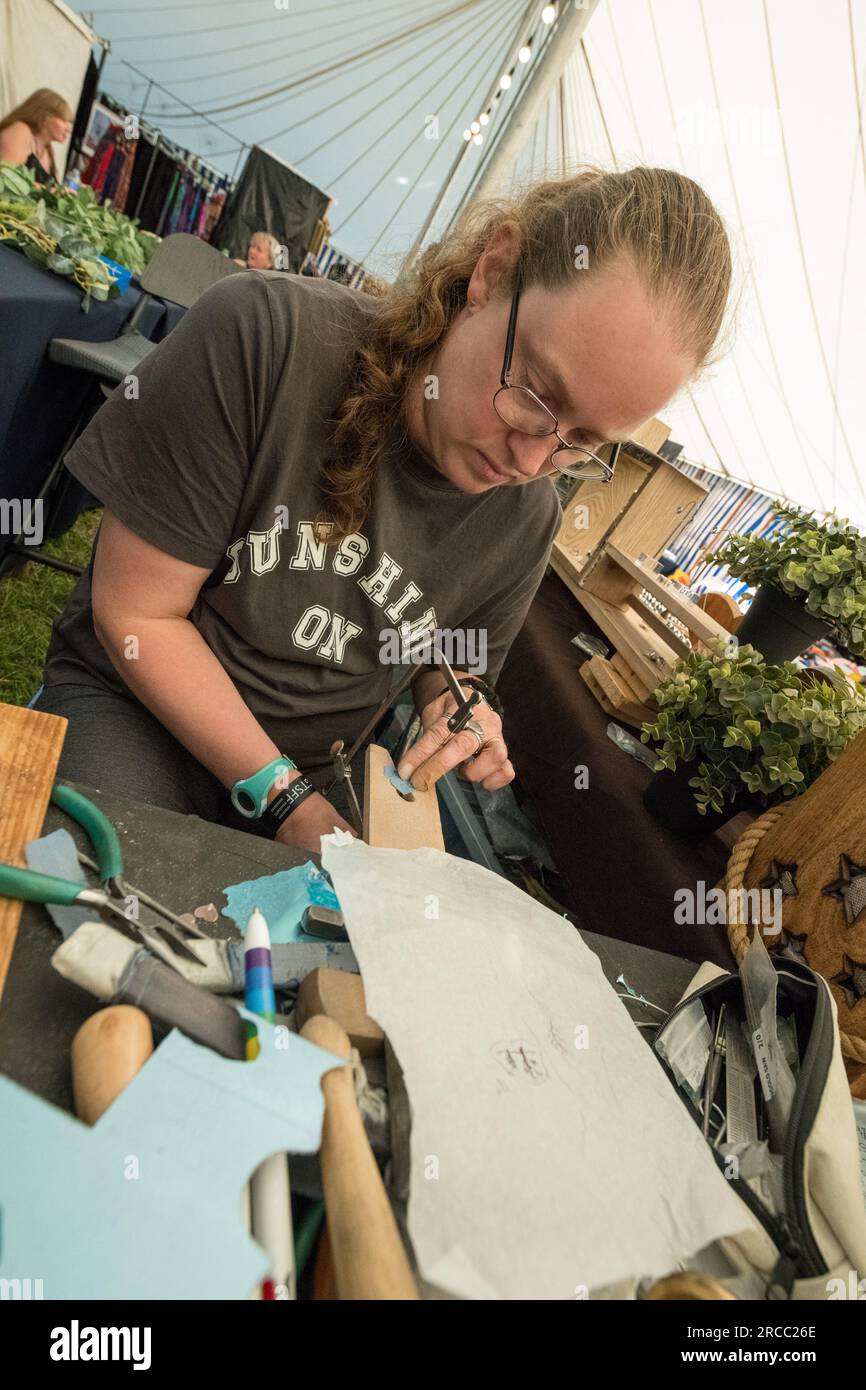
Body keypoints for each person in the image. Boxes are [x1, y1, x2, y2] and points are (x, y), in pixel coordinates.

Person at [36, 166, 732, 857]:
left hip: (312, 775)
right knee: (95, 924)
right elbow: (137, 616)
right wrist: (286, 802)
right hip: (135, 710)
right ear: (494, 269)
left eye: (582, 442)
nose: (529, 462)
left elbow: (447, 655)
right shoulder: (263, 336)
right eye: (536, 392)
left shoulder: (528, 520)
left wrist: (459, 707)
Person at [0, 88, 73, 185]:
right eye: (64, 120)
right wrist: (54, 192)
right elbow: (5, 178)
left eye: (69, 122)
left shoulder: (48, 149)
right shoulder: (20, 131)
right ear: (45, 116)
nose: (68, 128)